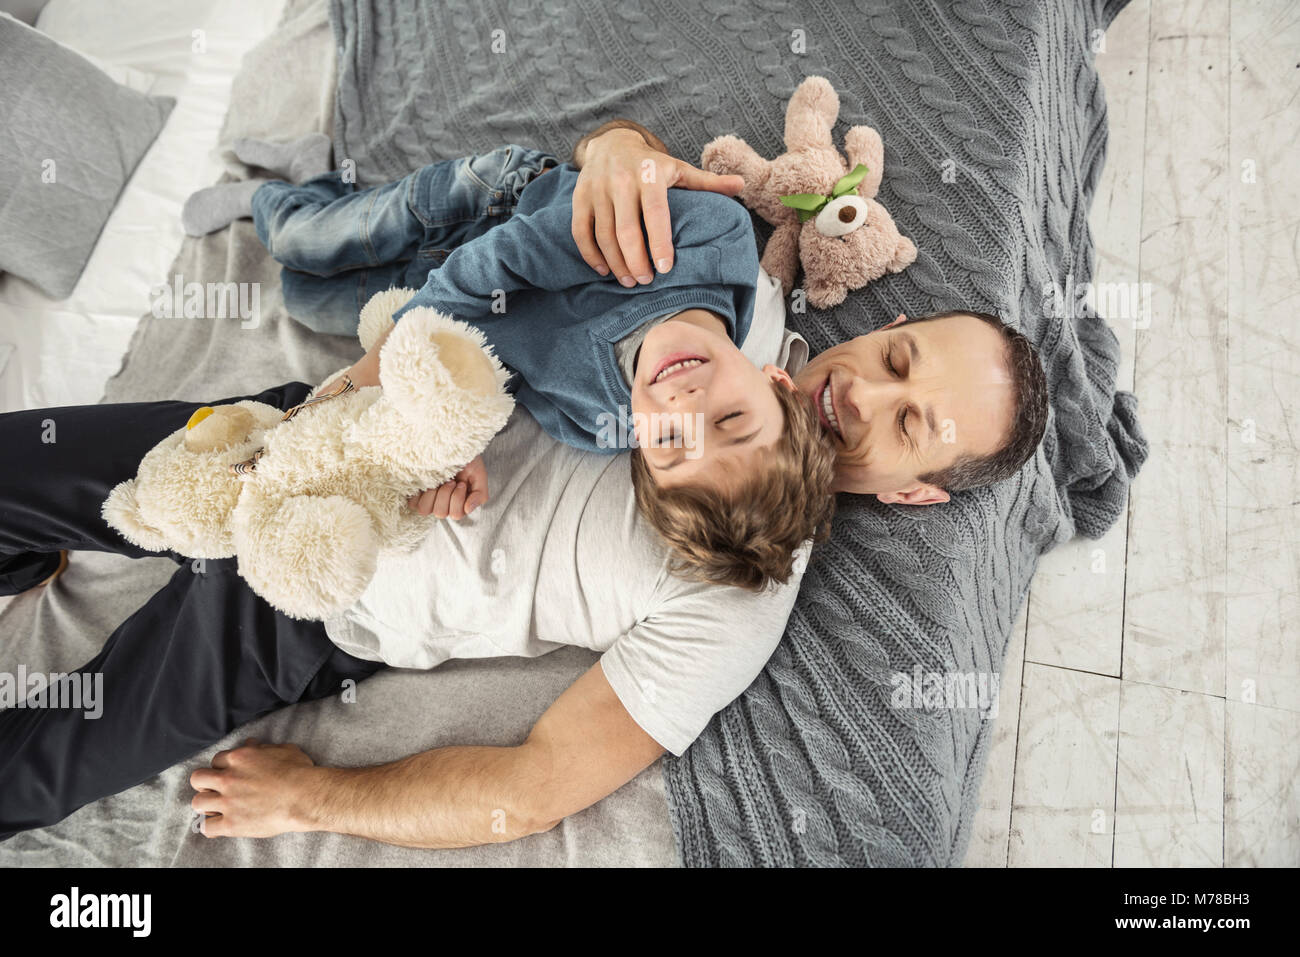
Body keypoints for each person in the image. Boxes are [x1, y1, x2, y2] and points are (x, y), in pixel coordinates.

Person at [0, 122, 1048, 845]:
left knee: (29, 777)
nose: (862, 398)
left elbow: (535, 787)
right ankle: (28, 546)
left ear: (916, 491)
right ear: (886, 331)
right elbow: (581, 193)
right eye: (896, 364)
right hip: (311, 433)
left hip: (315, 605)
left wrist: (319, 801)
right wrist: (619, 152)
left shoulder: (739, 595)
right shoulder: (740, 308)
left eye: (910, 426)